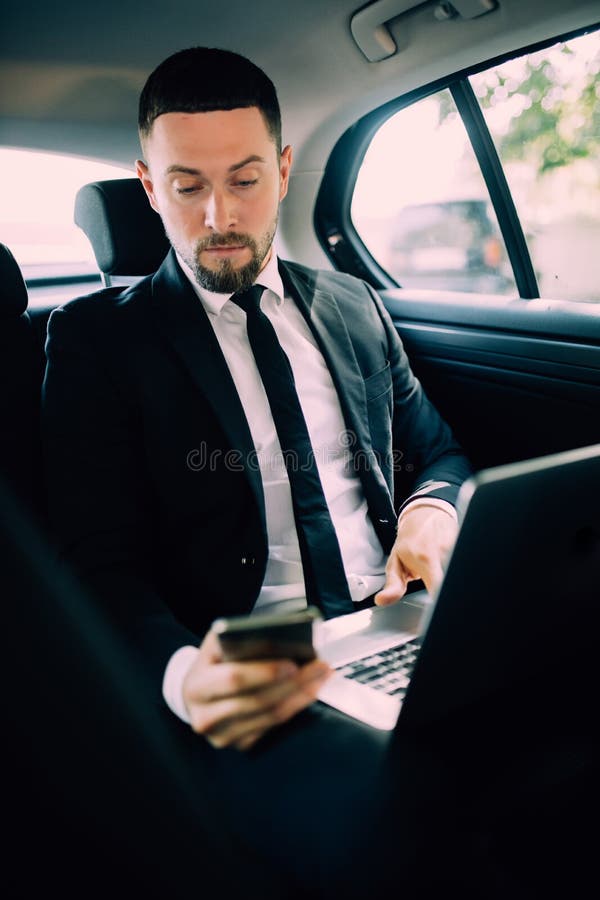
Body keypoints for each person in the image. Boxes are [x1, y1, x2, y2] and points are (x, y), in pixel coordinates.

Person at [42, 47, 472, 755]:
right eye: (188, 187)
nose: (220, 216)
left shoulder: (353, 303)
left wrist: (430, 509)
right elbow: (92, 559)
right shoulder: (97, 341)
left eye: (245, 180)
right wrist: (182, 675)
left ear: (283, 170)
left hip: (398, 625)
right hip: (248, 672)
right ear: (149, 187)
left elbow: (437, 453)